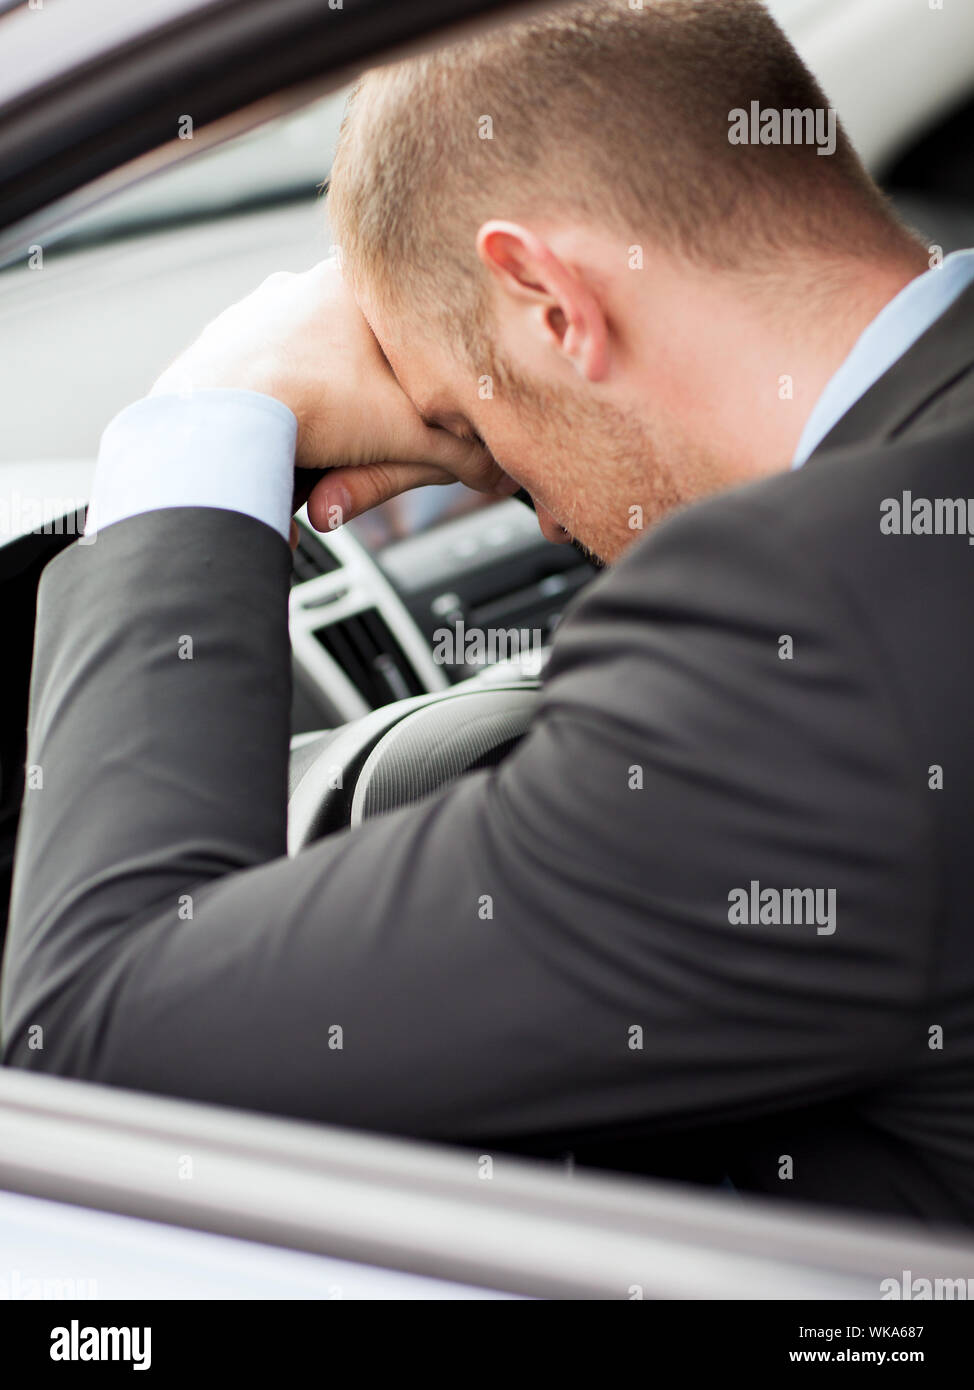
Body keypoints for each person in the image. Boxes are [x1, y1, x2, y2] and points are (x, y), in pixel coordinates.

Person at [4, 0, 974, 1224]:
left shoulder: (812, 642)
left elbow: (94, 1046)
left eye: (472, 430)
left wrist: (209, 412)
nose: (539, 518)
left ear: (548, 298)